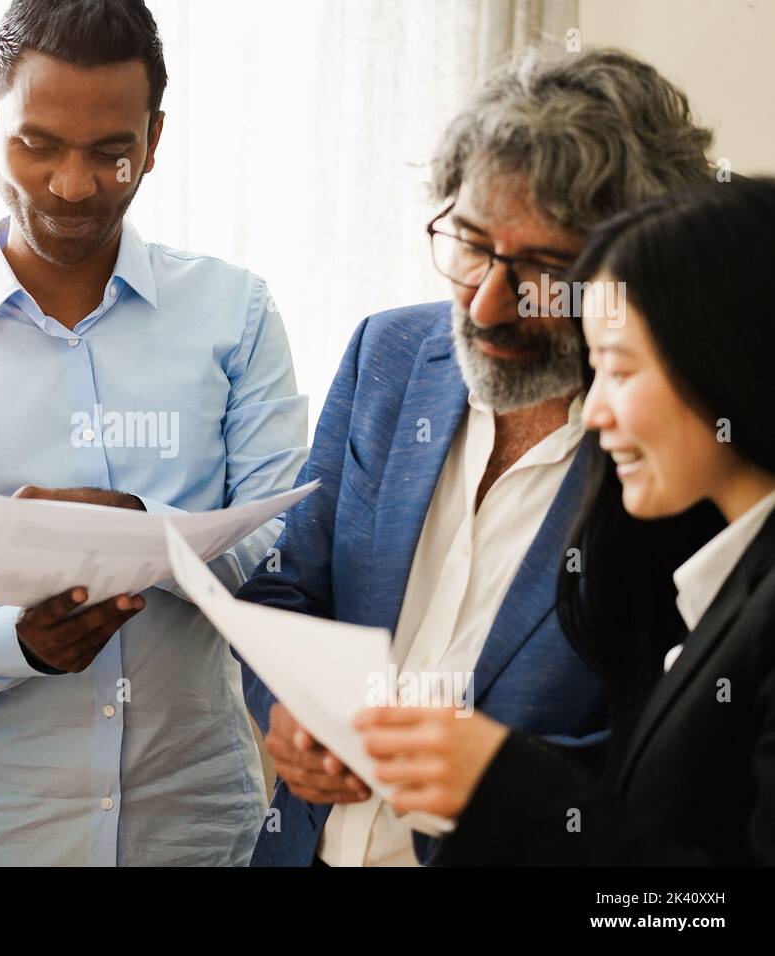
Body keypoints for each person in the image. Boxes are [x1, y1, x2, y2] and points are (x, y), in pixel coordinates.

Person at [0, 0, 306, 866]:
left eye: (110, 152)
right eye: (37, 144)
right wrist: (6, 644)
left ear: (154, 141)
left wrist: (156, 541)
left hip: (198, 829)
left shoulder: (234, 314)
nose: (74, 185)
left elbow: (292, 547)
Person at [235, 48, 715, 866]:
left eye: (541, 271)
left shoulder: (676, 441)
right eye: (470, 243)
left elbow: (665, 757)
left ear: (635, 269)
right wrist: (291, 710)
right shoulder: (385, 354)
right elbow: (290, 583)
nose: (489, 303)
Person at [356, 177, 775, 866]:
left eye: (619, 369)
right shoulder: (728, 584)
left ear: (726, 357)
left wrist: (507, 784)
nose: (598, 412)